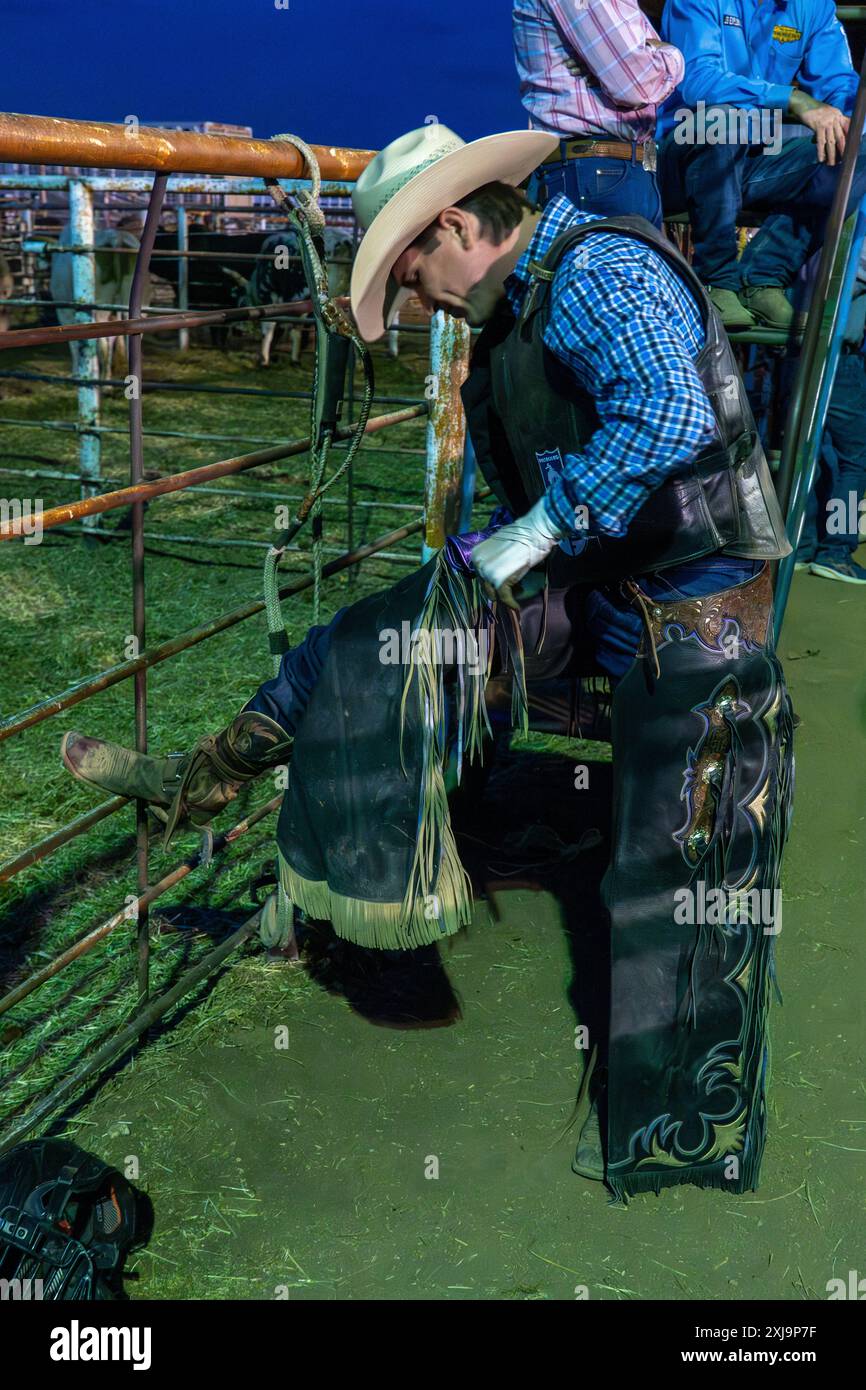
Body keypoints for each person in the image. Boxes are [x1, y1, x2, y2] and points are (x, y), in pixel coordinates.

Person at [60, 123, 795, 1201]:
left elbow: (670, 414)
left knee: (675, 858)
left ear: (457, 225)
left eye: (412, 273)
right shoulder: (525, 298)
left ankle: (676, 1119)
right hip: (593, 574)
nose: (420, 302)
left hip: (691, 592)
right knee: (369, 642)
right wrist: (511, 543)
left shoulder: (596, 270)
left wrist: (537, 531)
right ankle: (210, 769)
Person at [657, 0, 866, 330]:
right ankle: (716, 282)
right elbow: (698, 79)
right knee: (723, 120)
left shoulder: (811, 6)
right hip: (677, 158)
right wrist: (794, 99)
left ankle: (764, 280)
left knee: (859, 149)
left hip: (750, 160)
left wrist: (848, 122)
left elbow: (839, 82)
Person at [514, 0, 683, 224]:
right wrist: (673, 54)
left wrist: (646, 55)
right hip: (597, 170)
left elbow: (632, 76)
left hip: (613, 169)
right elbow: (637, 83)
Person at [789, 239, 866, 583]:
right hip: (837, 354)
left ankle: (804, 544)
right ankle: (836, 550)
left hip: (800, 350)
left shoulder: (824, 234)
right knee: (856, 457)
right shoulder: (855, 237)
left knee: (815, 451)